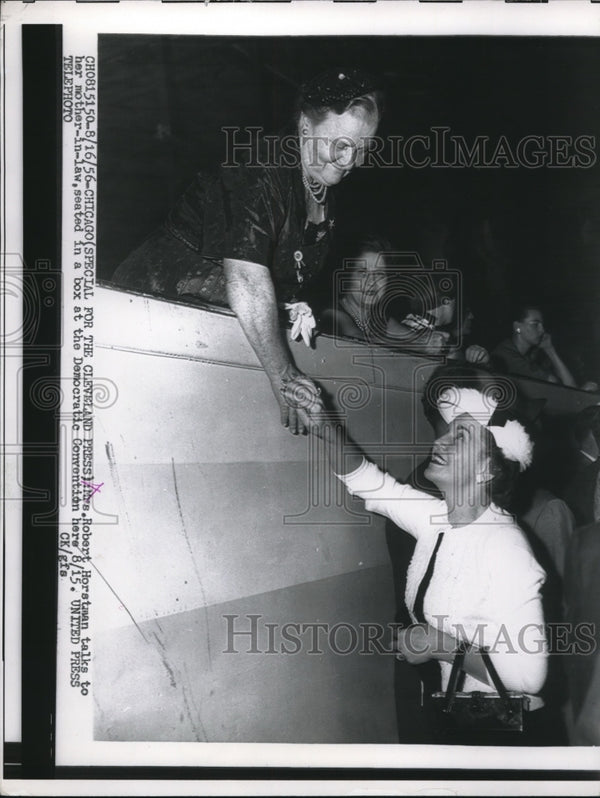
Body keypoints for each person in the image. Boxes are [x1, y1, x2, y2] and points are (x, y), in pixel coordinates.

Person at [112, 68, 383, 435]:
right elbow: (245, 277)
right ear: (305, 126)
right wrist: (284, 375)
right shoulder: (259, 167)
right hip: (155, 313)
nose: (352, 161)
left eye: (363, 149)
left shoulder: (323, 189)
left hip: (230, 326)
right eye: (342, 145)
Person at [285, 380, 554, 745]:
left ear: (486, 471)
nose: (439, 442)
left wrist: (434, 643)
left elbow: (529, 675)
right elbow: (371, 485)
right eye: (447, 434)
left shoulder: (505, 546)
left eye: (459, 438)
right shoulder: (439, 518)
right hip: (462, 720)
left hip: (505, 739)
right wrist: (323, 423)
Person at [319, 237, 452, 355]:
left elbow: (411, 337)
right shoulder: (333, 313)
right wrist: (420, 346)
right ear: (347, 278)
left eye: (380, 274)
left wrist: (435, 339)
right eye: (362, 273)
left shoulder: (378, 317)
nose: (372, 282)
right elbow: (359, 342)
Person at [492, 305, 577, 387]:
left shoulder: (529, 356)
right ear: (517, 327)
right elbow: (557, 386)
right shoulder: (506, 354)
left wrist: (550, 349)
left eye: (542, 325)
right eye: (535, 324)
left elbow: (570, 385)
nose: (542, 330)